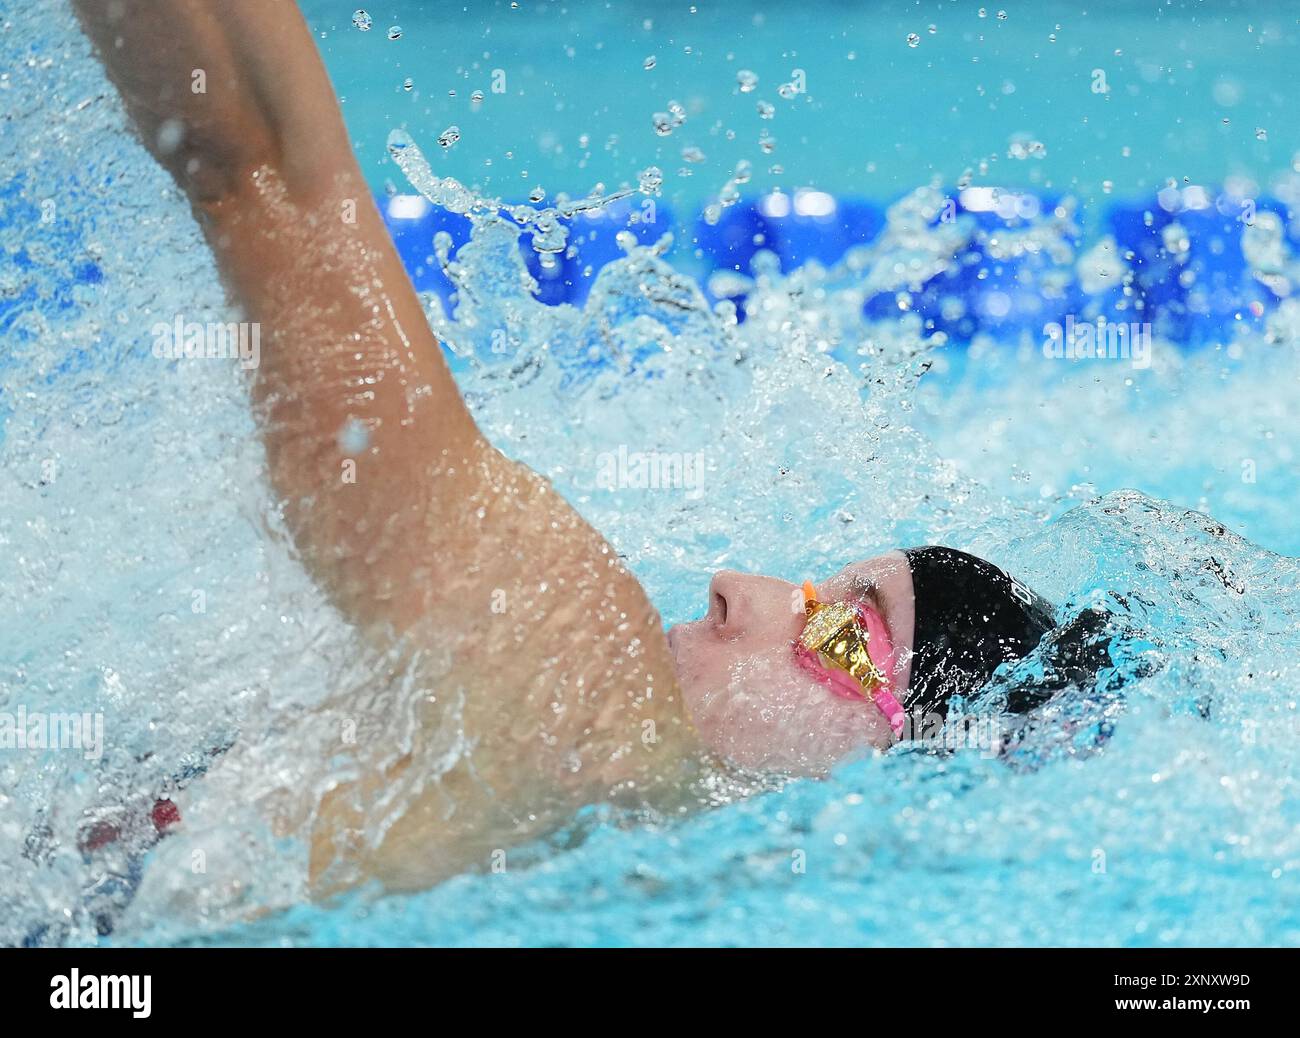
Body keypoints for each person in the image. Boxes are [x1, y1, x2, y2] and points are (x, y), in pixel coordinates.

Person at [72, 1, 1077, 898]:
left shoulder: (593, 695)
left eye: (846, 636)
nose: (736, 586)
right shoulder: (663, 876)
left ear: (904, 793)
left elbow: (253, 168)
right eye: (819, 598)